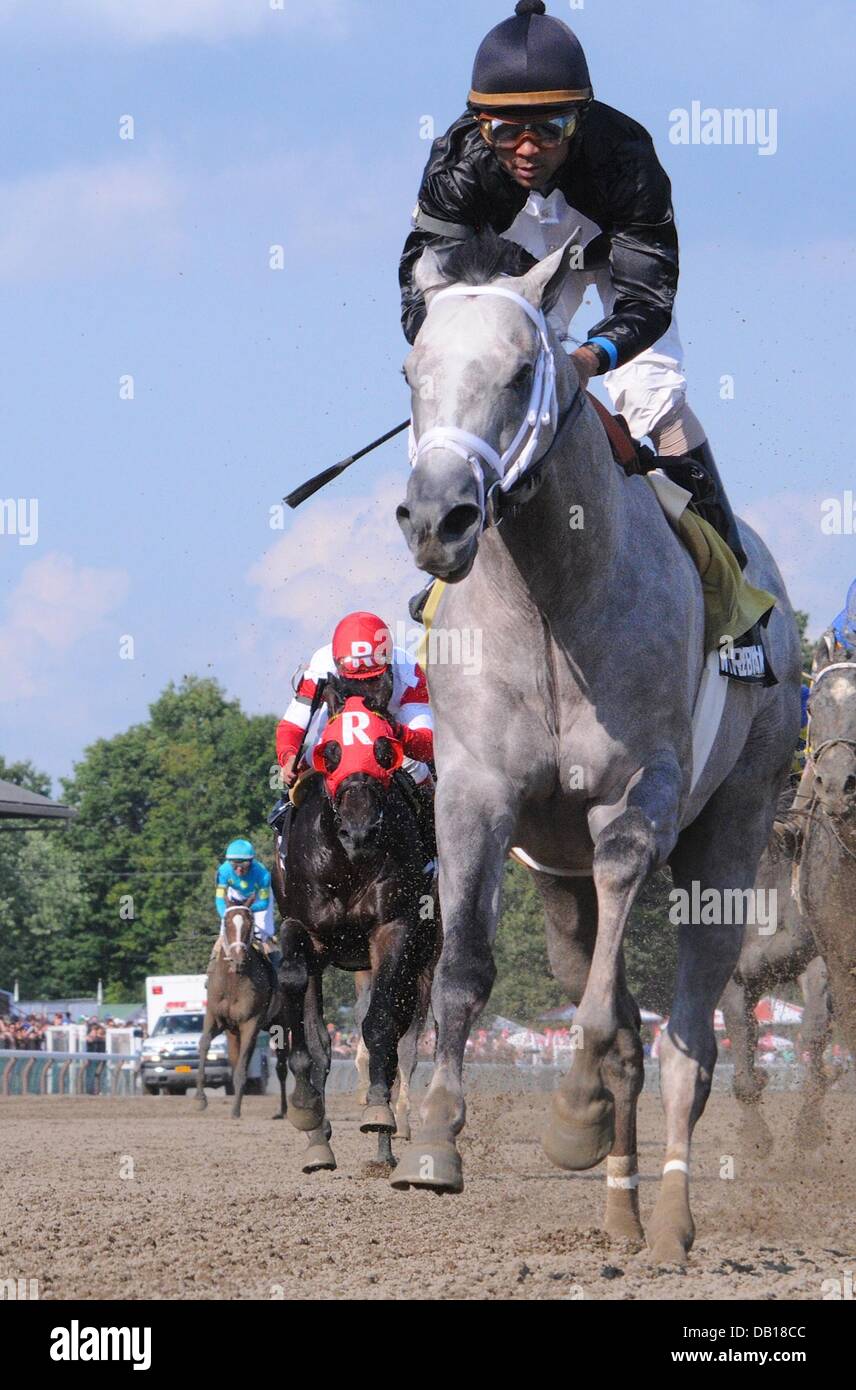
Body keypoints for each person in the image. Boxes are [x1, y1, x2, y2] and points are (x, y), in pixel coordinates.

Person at [399, 0, 746, 569]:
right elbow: (424, 294)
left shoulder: (628, 161)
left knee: (652, 397)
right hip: (516, 266)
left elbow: (646, 298)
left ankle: (731, 581)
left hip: (617, 259)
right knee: (479, 400)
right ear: (481, 125)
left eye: (550, 128)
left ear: (580, 119)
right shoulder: (457, 167)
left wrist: (588, 358)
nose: (528, 149)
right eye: (505, 132)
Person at [271, 610, 436, 864]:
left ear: (388, 665)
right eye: (356, 680)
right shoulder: (321, 665)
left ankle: (435, 855)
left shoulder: (408, 670)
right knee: (300, 771)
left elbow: (427, 745)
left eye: (372, 680)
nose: (365, 688)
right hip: (335, 735)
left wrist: (393, 729)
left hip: (390, 740)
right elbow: (292, 725)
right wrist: (287, 757)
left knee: (422, 773)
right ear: (338, 666)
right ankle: (285, 839)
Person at [214, 839, 275, 956]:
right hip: (235, 894)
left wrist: (246, 910)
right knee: (223, 932)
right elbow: (220, 899)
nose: (239, 869)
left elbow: (264, 903)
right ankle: (212, 963)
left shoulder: (263, 875)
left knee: (262, 933)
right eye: (234, 865)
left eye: (244, 865)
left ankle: (274, 962)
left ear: (251, 862)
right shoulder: (223, 871)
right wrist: (226, 914)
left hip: (256, 899)